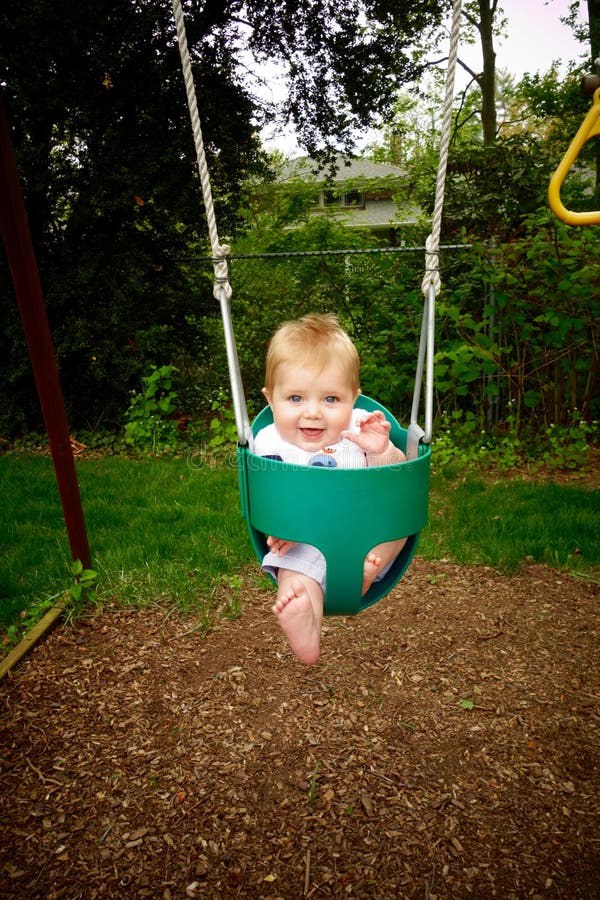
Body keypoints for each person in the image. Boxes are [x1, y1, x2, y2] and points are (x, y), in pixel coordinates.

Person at [254, 313, 407, 666]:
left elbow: (396, 482)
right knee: (293, 573)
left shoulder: (361, 429)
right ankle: (307, 624)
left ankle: (363, 573)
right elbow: (269, 496)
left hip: (366, 536)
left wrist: (381, 450)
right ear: (270, 399)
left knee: (399, 520)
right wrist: (279, 529)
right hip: (306, 541)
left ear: (354, 399)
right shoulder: (270, 442)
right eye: (295, 398)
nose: (313, 413)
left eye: (331, 400)